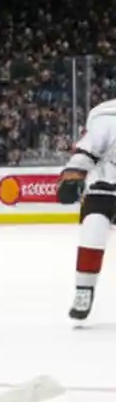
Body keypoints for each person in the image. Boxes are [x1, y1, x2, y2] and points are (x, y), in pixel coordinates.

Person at [57, 99, 116, 320]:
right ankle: (84, 289)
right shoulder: (108, 117)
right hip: (105, 185)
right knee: (93, 229)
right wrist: (73, 173)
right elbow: (87, 151)